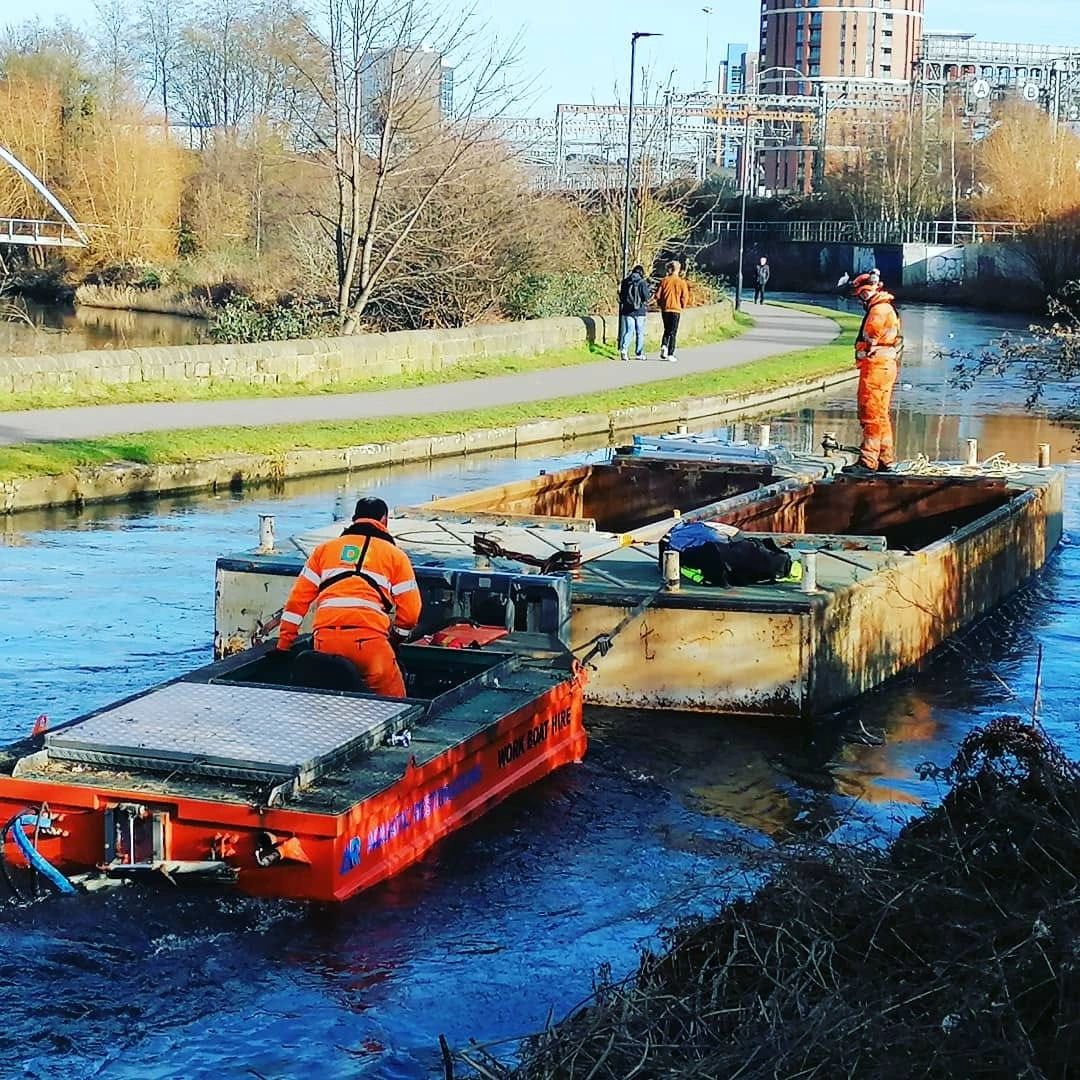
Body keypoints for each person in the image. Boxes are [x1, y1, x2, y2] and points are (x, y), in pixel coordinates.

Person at [275, 496, 421, 697]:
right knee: (396, 707)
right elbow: (411, 613)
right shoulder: (396, 556)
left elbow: (296, 603)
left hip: (325, 643)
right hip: (370, 646)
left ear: (354, 519)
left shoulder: (323, 551)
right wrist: (397, 637)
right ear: (384, 520)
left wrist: (283, 646)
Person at [843, 272, 903, 476]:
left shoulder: (878, 310)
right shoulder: (886, 307)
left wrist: (863, 350)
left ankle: (868, 461)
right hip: (886, 365)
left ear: (865, 292)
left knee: (870, 414)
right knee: (881, 414)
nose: (859, 299)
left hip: (876, 366)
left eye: (860, 295)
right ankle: (886, 459)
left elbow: (870, 336)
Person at [654, 260, 691, 362]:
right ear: (678, 270)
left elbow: (657, 295)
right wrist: (682, 306)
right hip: (676, 309)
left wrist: (661, 304)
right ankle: (670, 353)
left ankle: (664, 346)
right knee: (673, 332)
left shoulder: (664, 281)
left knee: (666, 329)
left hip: (665, 309)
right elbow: (685, 297)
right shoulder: (681, 282)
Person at [618, 264, 652, 361]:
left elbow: (622, 297)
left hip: (627, 311)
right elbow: (646, 297)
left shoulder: (625, 282)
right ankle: (639, 353)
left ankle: (624, 350)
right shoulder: (642, 282)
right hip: (639, 311)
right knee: (639, 332)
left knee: (629, 331)